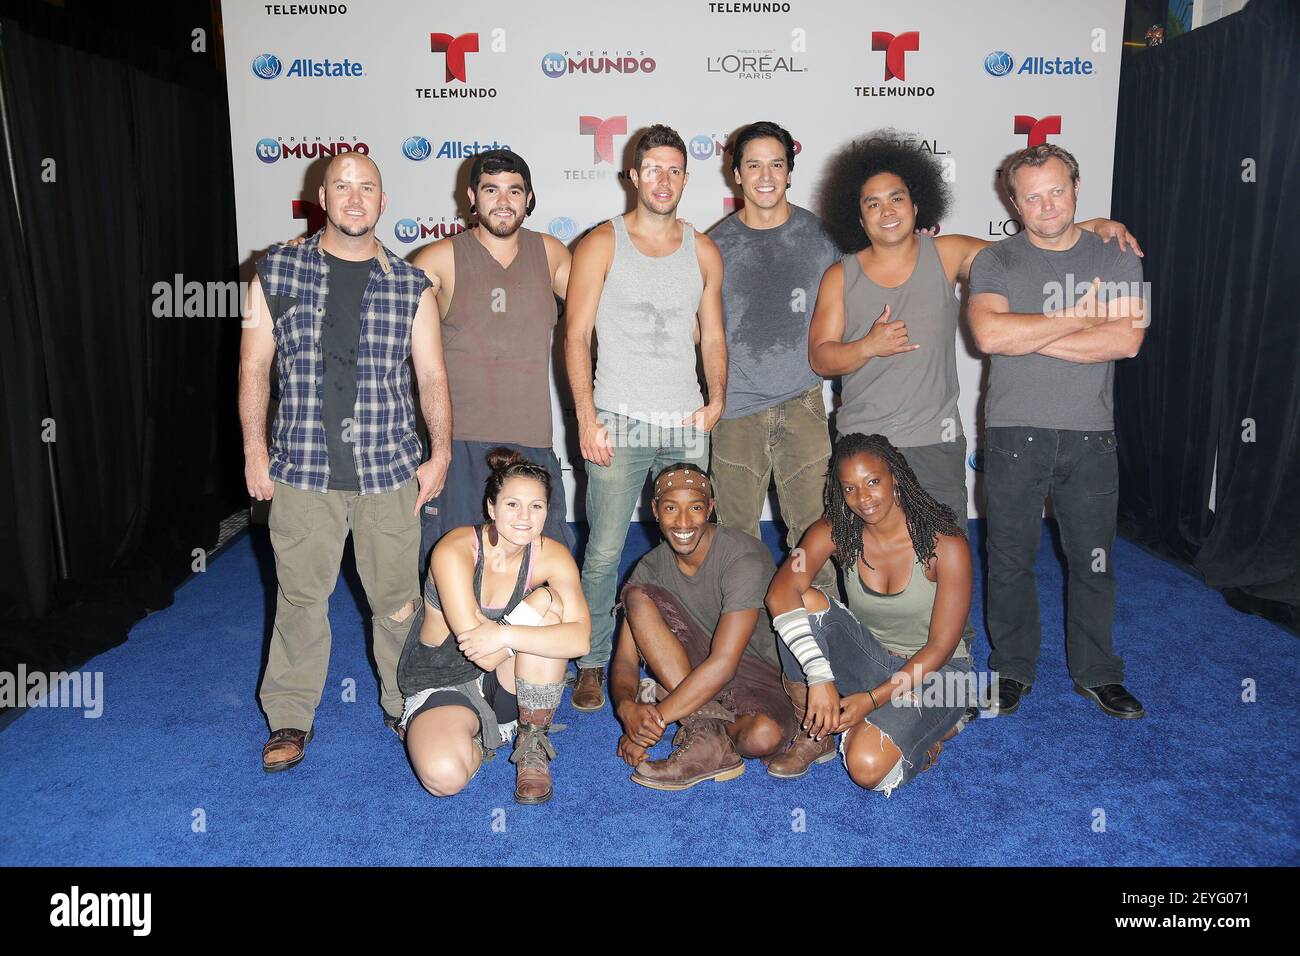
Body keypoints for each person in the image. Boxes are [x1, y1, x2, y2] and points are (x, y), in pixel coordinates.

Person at [808, 131, 1141, 670]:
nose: (887, 211)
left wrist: (1095, 227)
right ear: (858, 214)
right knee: (864, 552)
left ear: (918, 205)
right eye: (872, 203)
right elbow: (822, 359)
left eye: (897, 198)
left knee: (945, 555)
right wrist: (866, 346)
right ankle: (867, 654)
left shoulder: (947, 254)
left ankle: (951, 657)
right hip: (862, 442)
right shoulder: (838, 275)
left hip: (933, 440)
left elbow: (1039, 242)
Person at [240, 152, 451, 772]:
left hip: (388, 471)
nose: (355, 198)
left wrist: (440, 451)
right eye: (343, 187)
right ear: (322, 199)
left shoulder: (412, 286)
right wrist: (254, 448)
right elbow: (254, 366)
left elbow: (432, 375)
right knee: (300, 601)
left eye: (368, 188)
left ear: (383, 202)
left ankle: (402, 699)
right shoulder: (275, 271)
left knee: (397, 602)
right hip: (302, 471)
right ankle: (289, 717)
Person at [968, 143, 1147, 719]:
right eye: (1032, 196)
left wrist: (1034, 333)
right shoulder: (996, 261)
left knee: (1094, 558)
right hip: (1014, 431)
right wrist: (1081, 317)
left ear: (1075, 188)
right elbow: (990, 338)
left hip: (1091, 432)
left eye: (1056, 190)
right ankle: (1013, 671)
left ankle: (1098, 673)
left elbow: (1126, 340)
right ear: (1013, 202)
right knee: (1009, 557)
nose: (1047, 205)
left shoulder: (1117, 253)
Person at [564, 124, 727, 713]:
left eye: (675, 170)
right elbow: (576, 334)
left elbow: (712, 334)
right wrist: (586, 416)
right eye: (652, 168)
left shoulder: (703, 248)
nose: (663, 180)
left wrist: (718, 399)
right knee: (605, 549)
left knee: (690, 547)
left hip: (685, 422)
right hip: (618, 419)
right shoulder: (601, 243)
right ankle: (590, 660)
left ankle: (687, 653)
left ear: (687, 177)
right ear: (632, 175)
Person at [765, 433, 975, 792]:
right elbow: (780, 593)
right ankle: (815, 730)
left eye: (873, 482)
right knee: (805, 601)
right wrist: (819, 677)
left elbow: (940, 647)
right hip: (871, 659)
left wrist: (871, 700)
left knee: (865, 767)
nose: (862, 499)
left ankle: (926, 736)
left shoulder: (946, 545)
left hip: (936, 674)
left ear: (895, 477)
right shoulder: (839, 530)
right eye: (849, 489)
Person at [411, 149, 577, 566]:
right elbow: (385, 316)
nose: (503, 201)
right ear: (472, 196)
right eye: (491, 190)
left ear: (529, 197)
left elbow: (604, 309)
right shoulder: (438, 259)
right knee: (451, 570)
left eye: (514, 191)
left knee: (543, 569)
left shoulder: (552, 255)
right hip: (458, 444)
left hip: (533, 444)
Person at [396, 449, 591, 804]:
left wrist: (518, 620)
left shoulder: (552, 554)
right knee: (444, 779)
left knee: (552, 609)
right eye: (512, 504)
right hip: (445, 680)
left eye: (536, 506)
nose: (525, 517)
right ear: (491, 507)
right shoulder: (455, 549)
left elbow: (579, 640)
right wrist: (535, 605)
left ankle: (531, 738)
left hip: (505, 675)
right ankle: (477, 738)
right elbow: (480, 655)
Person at [707, 121, 839, 597]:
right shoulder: (715, 246)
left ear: (789, 172)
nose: (766, 175)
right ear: (736, 174)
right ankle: (744, 649)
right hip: (736, 412)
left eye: (776, 164)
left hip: (803, 403)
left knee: (815, 535)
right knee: (736, 539)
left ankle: (824, 641)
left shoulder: (823, 238)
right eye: (753, 165)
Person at [611, 464, 795, 790]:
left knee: (761, 738)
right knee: (637, 597)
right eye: (670, 508)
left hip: (757, 671)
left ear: (710, 508)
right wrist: (627, 710)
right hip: (694, 666)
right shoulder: (650, 567)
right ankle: (706, 732)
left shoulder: (743, 558)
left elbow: (724, 665)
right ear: (654, 510)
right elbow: (625, 660)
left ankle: (687, 707)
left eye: (695, 507)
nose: (683, 522)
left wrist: (655, 722)